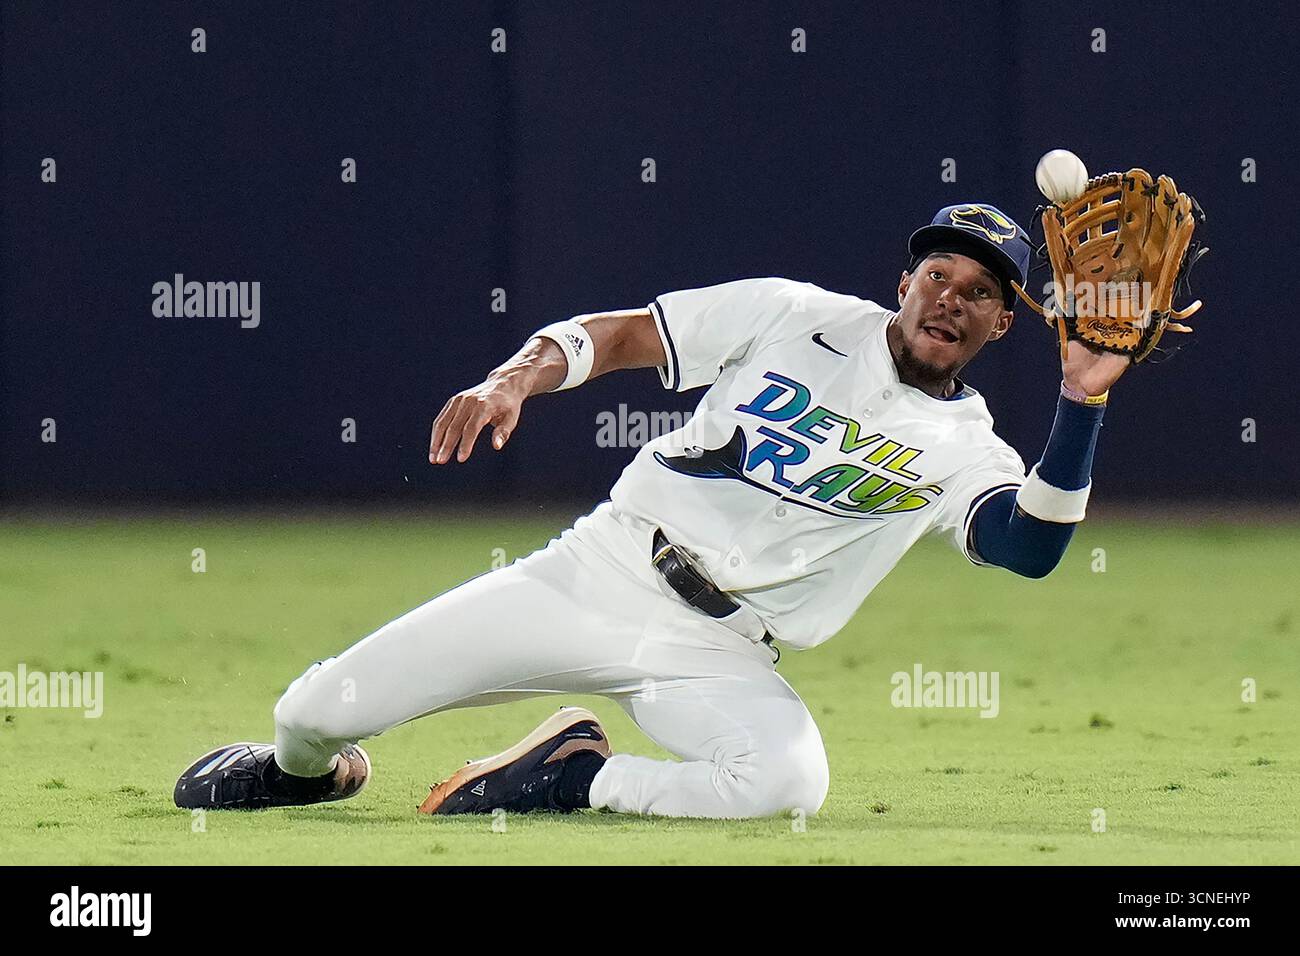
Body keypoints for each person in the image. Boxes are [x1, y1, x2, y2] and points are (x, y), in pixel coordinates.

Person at [174, 203, 1123, 819]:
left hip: (719, 652)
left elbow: (1027, 547)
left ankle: (576, 777)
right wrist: (513, 382)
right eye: (939, 278)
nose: (951, 300)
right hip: (602, 573)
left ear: (1006, 324)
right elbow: (617, 336)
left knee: (789, 783)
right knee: (313, 712)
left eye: (982, 293)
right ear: (904, 284)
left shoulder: (968, 449)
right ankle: (312, 772)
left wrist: (1082, 402)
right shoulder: (794, 317)